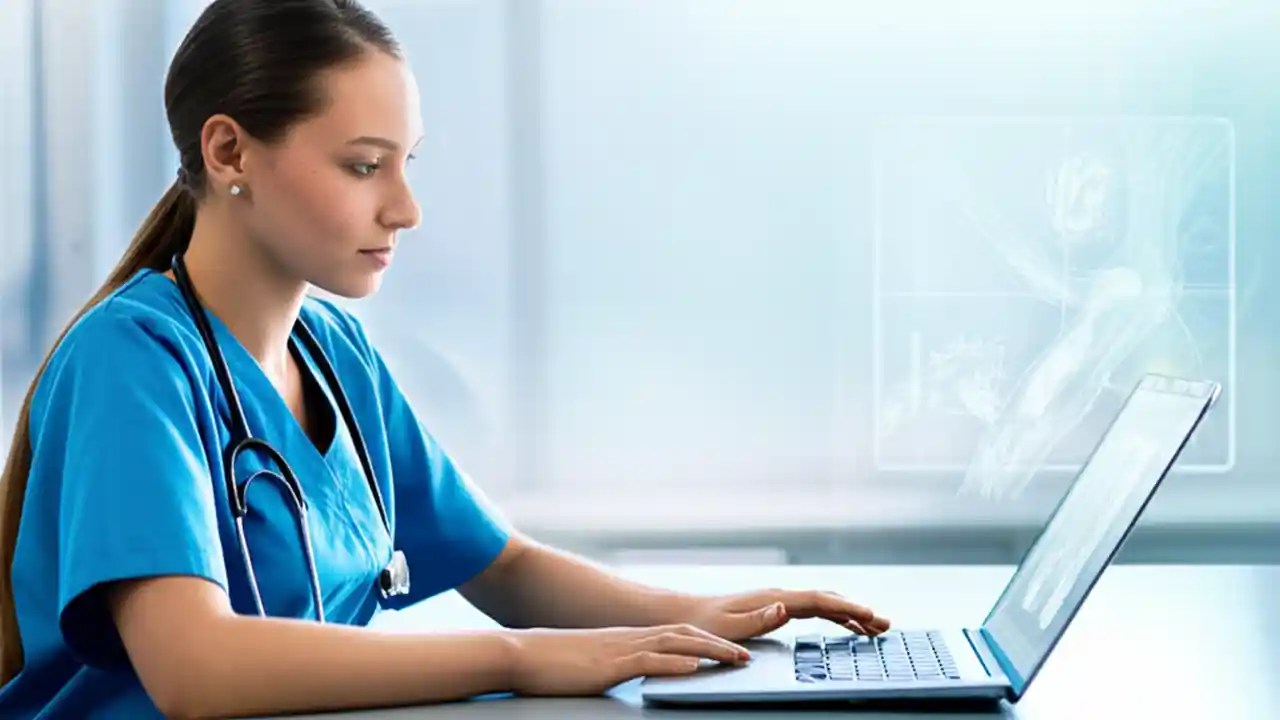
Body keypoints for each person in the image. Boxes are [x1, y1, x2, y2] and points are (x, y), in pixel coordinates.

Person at [0, 1, 890, 717]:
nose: (406, 210)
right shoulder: (133, 361)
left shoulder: (333, 350)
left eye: (407, 164)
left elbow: (495, 566)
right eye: (363, 167)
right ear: (229, 150)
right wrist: (520, 661)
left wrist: (693, 616)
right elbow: (197, 670)